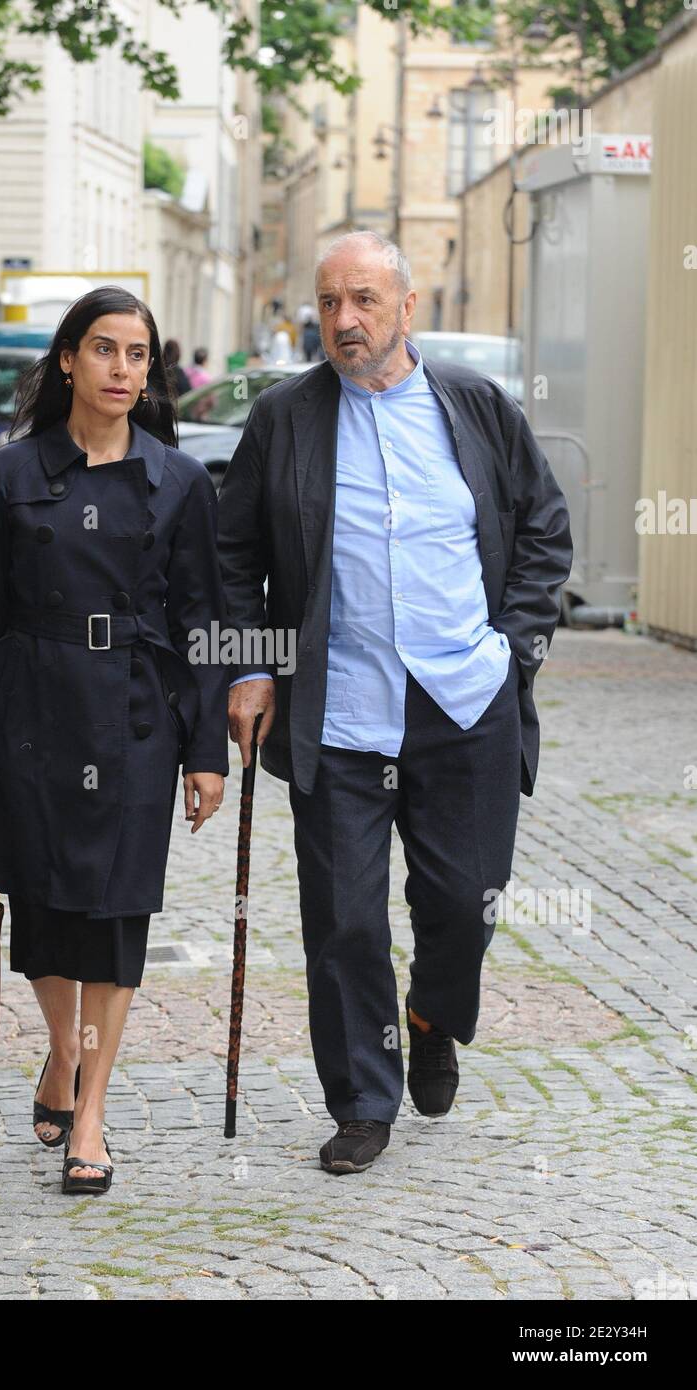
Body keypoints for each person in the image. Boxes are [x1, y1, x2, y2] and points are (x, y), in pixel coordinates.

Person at [217, 230, 572, 1176]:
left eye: (365, 300)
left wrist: (511, 653)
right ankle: (364, 1101)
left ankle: (434, 1015)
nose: (345, 320)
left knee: (462, 901)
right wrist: (251, 667)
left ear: (406, 307)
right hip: (338, 709)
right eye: (330, 302)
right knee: (345, 918)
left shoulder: (476, 408)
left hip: (463, 702)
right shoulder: (286, 417)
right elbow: (232, 554)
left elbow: (543, 528)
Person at [0, 286, 229, 1194]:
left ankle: (90, 1113)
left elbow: (204, 623)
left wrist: (207, 749)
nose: (122, 371)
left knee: (117, 916)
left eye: (139, 356)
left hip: (140, 716)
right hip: (33, 715)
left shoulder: (177, 481)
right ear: (69, 359)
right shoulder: (14, 473)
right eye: (105, 350)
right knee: (50, 920)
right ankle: (64, 1052)